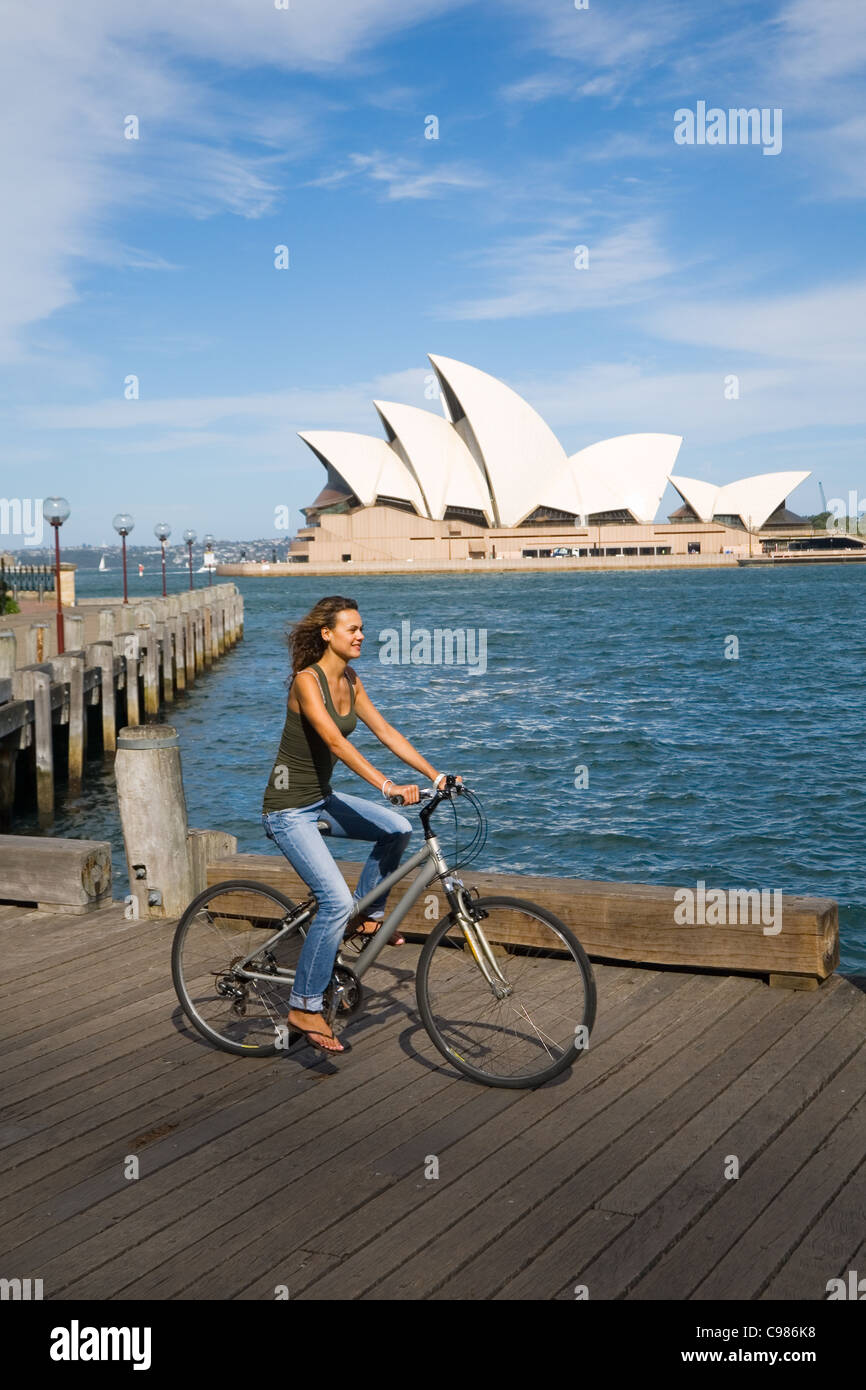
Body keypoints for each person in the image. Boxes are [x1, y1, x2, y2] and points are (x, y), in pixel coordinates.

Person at [261, 595, 460, 1054]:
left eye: (362, 628)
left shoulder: (351, 679)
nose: (360, 635)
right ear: (327, 634)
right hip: (289, 809)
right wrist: (387, 785)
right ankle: (303, 1006)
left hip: (322, 799)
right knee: (333, 902)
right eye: (351, 628)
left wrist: (435, 774)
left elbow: (385, 731)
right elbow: (333, 740)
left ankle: (367, 918)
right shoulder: (306, 682)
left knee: (396, 829)